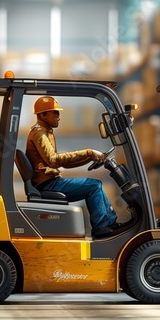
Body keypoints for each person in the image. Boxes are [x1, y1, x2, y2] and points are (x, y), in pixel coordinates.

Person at [26, 96, 125, 238]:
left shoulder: (44, 131)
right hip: (48, 184)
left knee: (95, 184)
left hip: (48, 182)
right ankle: (102, 227)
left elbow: (60, 162)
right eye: (55, 112)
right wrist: (88, 152)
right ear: (43, 115)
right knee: (94, 186)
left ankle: (109, 223)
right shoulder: (39, 133)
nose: (58, 116)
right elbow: (54, 160)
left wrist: (88, 157)